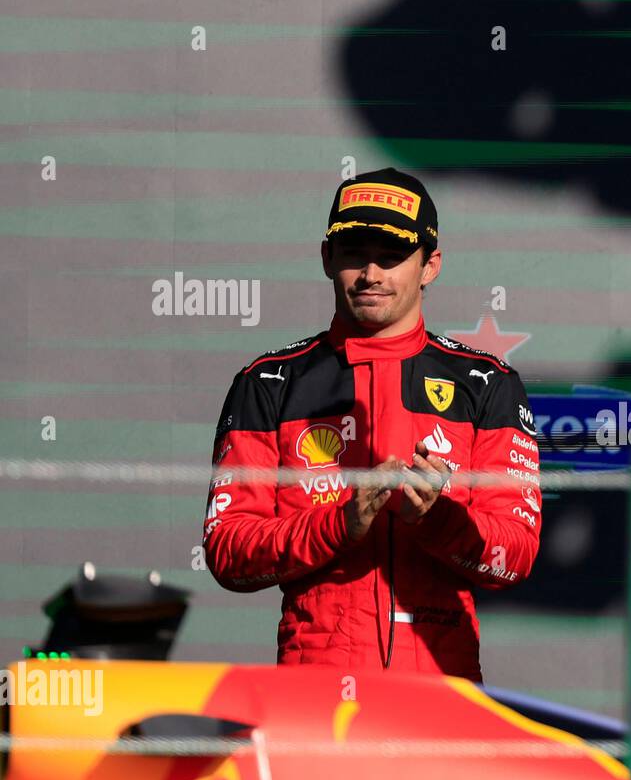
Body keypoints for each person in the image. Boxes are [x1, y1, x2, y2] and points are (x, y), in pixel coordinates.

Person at [202, 168, 542, 679]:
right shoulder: (267, 382)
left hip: (442, 690)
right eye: (354, 253)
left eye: (391, 256)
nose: (371, 274)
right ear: (326, 259)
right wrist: (340, 525)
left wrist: (435, 519)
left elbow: (514, 554)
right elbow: (228, 552)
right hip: (313, 688)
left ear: (430, 265)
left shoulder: (488, 383)